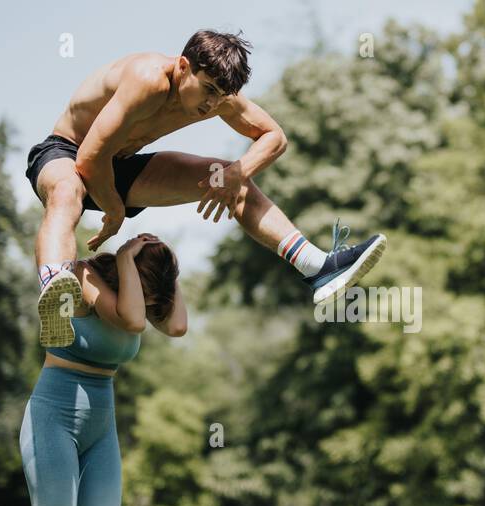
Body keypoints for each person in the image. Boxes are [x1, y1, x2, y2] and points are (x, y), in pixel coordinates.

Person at [27, 29, 386, 347]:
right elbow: (90, 158)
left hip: (121, 167)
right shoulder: (147, 79)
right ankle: (57, 288)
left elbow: (275, 137)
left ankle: (317, 267)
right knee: (66, 192)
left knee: (227, 178)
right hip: (68, 152)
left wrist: (237, 173)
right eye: (208, 90)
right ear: (183, 66)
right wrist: (115, 210)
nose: (212, 104)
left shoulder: (221, 98)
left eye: (221, 96)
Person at [18, 233, 183, 506]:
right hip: (52, 417)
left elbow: (176, 327)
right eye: (145, 293)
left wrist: (171, 270)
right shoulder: (84, 276)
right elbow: (132, 319)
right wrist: (126, 258)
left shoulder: (141, 301)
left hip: (101, 427)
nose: (148, 305)